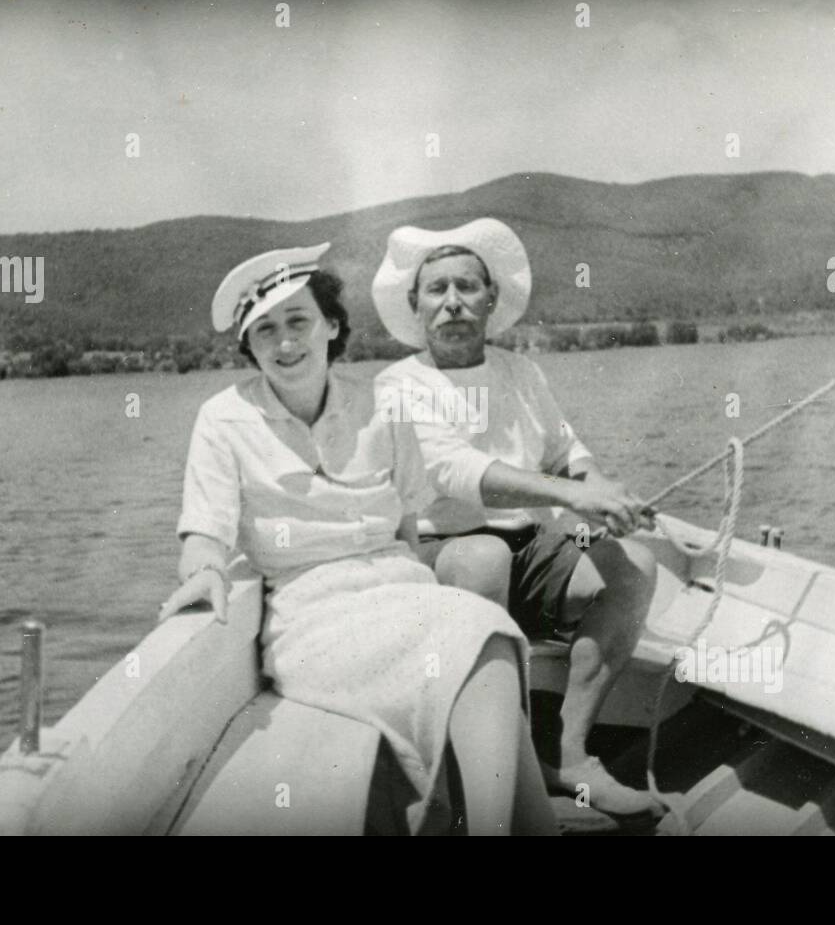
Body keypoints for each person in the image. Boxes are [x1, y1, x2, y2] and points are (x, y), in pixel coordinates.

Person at [158, 242, 556, 836]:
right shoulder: (224, 419)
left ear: (332, 326)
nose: (285, 342)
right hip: (313, 616)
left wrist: (415, 583)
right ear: (249, 345)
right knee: (481, 640)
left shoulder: (383, 405)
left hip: (401, 589)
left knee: (490, 638)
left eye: (298, 321)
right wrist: (205, 571)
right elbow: (205, 535)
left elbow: (405, 524)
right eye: (265, 330)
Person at [372, 219, 665, 817]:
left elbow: (566, 452)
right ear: (415, 305)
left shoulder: (521, 373)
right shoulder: (397, 384)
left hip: (528, 547)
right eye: (436, 290)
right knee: (483, 557)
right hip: (438, 553)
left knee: (632, 565)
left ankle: (570, 753)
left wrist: (601, 490)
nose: (452, 302)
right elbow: (454, 472)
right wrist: (572, 495)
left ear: (491, 299)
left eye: (466, 287)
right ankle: (499, 767)